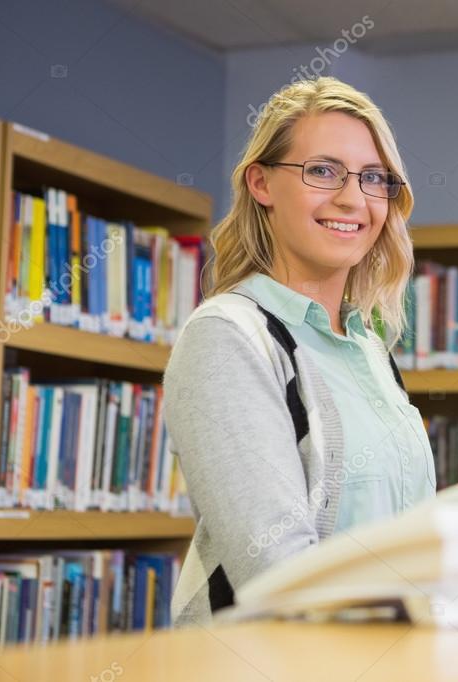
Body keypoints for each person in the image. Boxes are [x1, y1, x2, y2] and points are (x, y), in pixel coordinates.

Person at [164, 77, 435, 626]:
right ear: (261, 183)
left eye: (372, 178)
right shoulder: (228, 335)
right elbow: (277, 575)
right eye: (322, 170)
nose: (352, 199)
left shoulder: (368, 349)